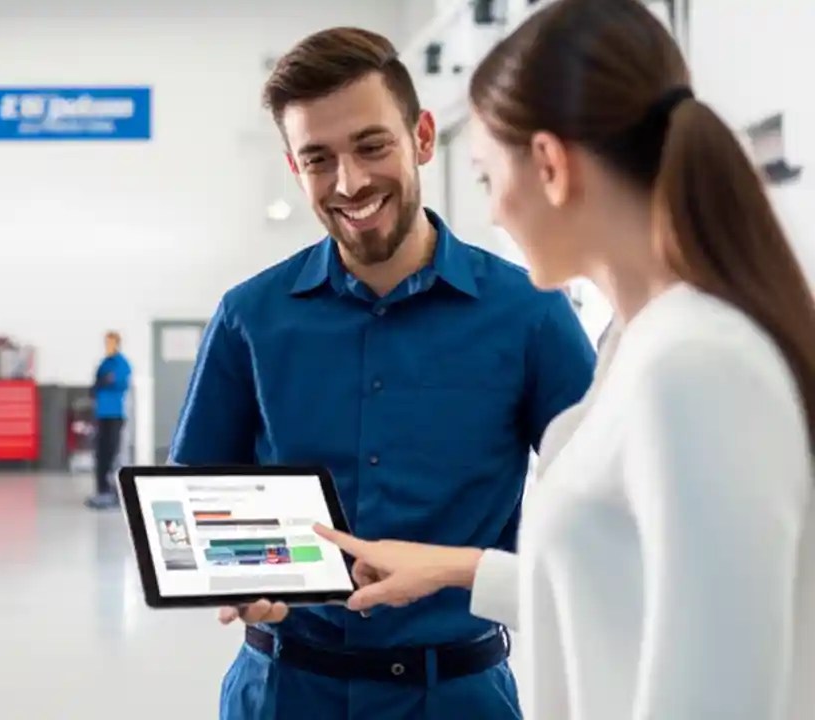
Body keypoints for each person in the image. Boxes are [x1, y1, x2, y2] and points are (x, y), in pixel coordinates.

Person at [303, 1, 815, 718]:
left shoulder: (694, 364)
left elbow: (717, 697)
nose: (493, 213)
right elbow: (620, 585)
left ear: (547, 164)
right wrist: (457, 569)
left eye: (485, 177)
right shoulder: (638, 347)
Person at [168, 26, 598, 720]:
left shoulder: (530, 314)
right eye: (318, 159)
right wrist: (234, 581)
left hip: (456, 697)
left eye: (372, 146)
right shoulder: (250, 317)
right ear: (294, 168)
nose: (350, 183)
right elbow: (195, 497)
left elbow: (603, 506)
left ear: (423, 137)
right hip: (282, 694)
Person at [86, 331, 131, 509]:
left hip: (115, 415)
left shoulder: (122, 363)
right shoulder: (104, 363)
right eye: (106, 342)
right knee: (100, 455)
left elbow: (118, 382)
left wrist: (105, 381)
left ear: (118, 343)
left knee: (113, 454)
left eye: (111, 342)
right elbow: (97, 384)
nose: (108, 345)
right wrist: (103, 381)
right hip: (101, 414)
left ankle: (113, 493)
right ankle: (101, 491)